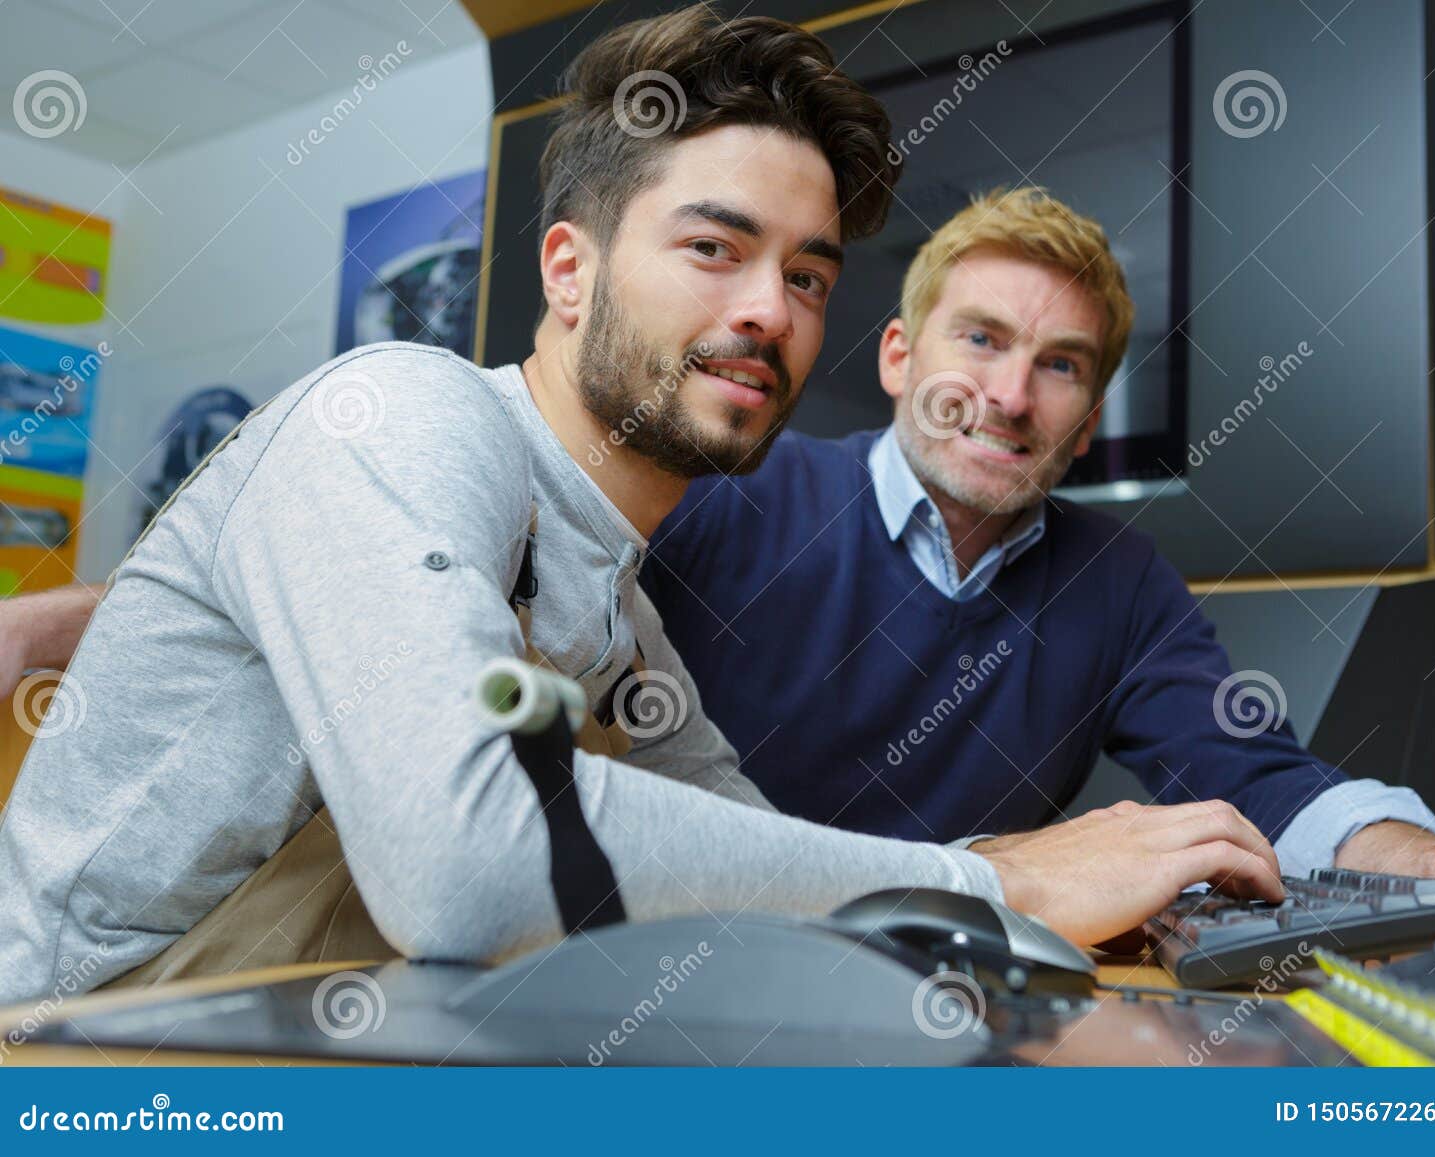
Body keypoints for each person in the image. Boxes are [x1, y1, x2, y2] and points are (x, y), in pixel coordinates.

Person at [0, 10, 1286, 1005]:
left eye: (806, 274)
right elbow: (464, 850)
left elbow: (756, 864)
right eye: (712, 248)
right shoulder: (398, 410)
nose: (768, 311)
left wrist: (1038, 886)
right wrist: (990, 876)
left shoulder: (616, 611)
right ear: (570, 267)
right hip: (80, 1051)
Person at [638, 186, 1435, 941]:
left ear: (1091, 420)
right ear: (898, 356)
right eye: (980, 338)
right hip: (684, 972)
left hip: (949, 1017)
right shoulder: (727, 488)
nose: (1012, 395)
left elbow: (1274, 789)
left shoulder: (1123, 584)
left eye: (1060, 365)